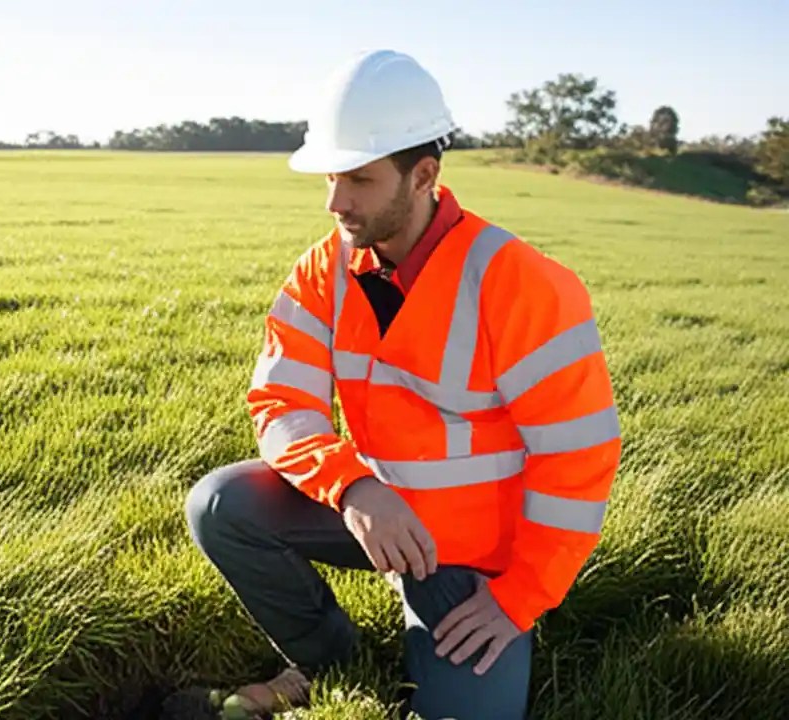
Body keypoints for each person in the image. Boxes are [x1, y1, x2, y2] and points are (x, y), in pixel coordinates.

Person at [184, 49, 621, 720]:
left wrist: (518, 599)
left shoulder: (524, 284)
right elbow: (281, 402)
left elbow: (579, 456)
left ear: (424, 176)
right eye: (331, 177)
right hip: (372, 513)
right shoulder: (323, 268)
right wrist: (353, 486)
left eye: (358, 179)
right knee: (220, 506)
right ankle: (329, 661)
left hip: (471, 563)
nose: (335, 202)